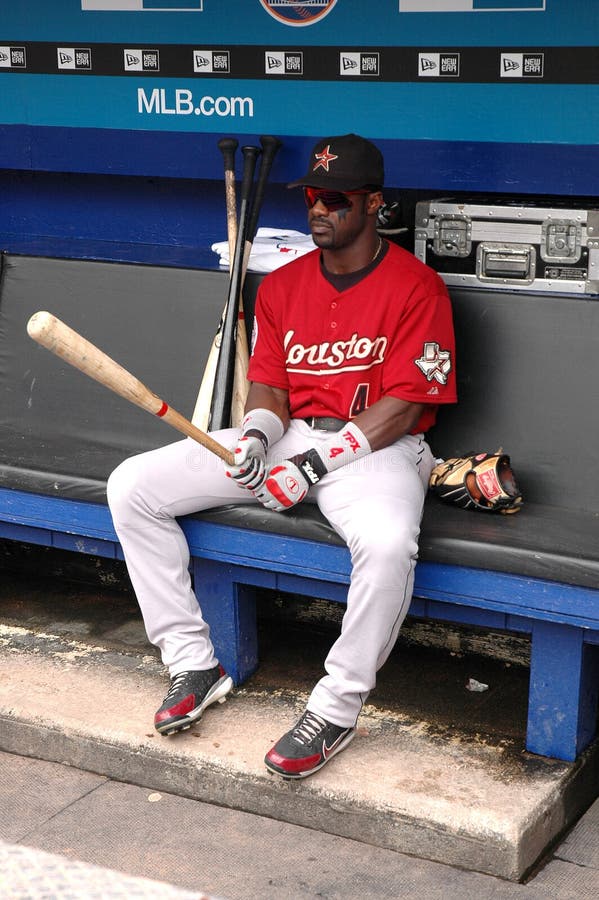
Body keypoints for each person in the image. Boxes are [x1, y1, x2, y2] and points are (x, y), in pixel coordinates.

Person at [107, 133, 457, 779]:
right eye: (310, 198)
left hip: (376, 452)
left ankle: (337, 707)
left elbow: (405, 405)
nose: (317, 210)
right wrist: (255, 441)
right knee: (133, 485)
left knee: (386, 545)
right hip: (292, 436)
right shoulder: (282, 285)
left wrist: (313, 468)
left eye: (333, 199)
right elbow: (268, 384)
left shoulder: (417, 287)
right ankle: (192, 662)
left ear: (372, 203)